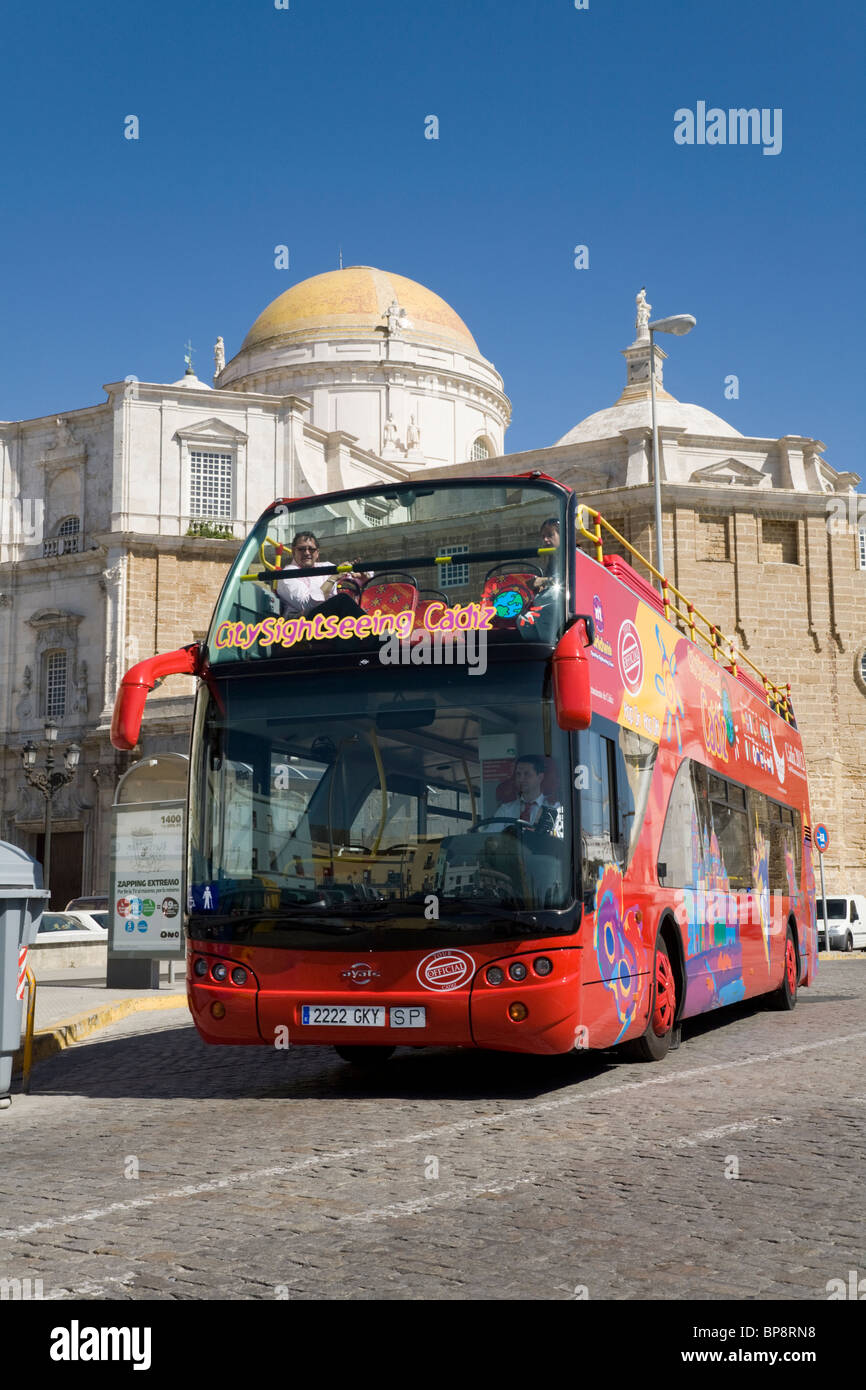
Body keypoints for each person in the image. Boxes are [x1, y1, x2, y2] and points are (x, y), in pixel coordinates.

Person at [275, 532, 366, 620]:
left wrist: (362, 577)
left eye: (311, 549)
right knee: (342, 600)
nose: (307, 553)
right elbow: (307, 605)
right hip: (303, 625)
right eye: (301, 549)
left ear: (317, 552)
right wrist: (333, 578)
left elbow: (353, 581)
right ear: (294, 551)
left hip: (332, 620)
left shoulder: (326, 566)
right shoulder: (287, 574)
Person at [492, 754, 563, 835]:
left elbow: (558, 841)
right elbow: (489, 837)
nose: (521, 779)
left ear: (540, 777)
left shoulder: (554, 808)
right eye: (518, 774)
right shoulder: (506, 810)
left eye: (527, 774)